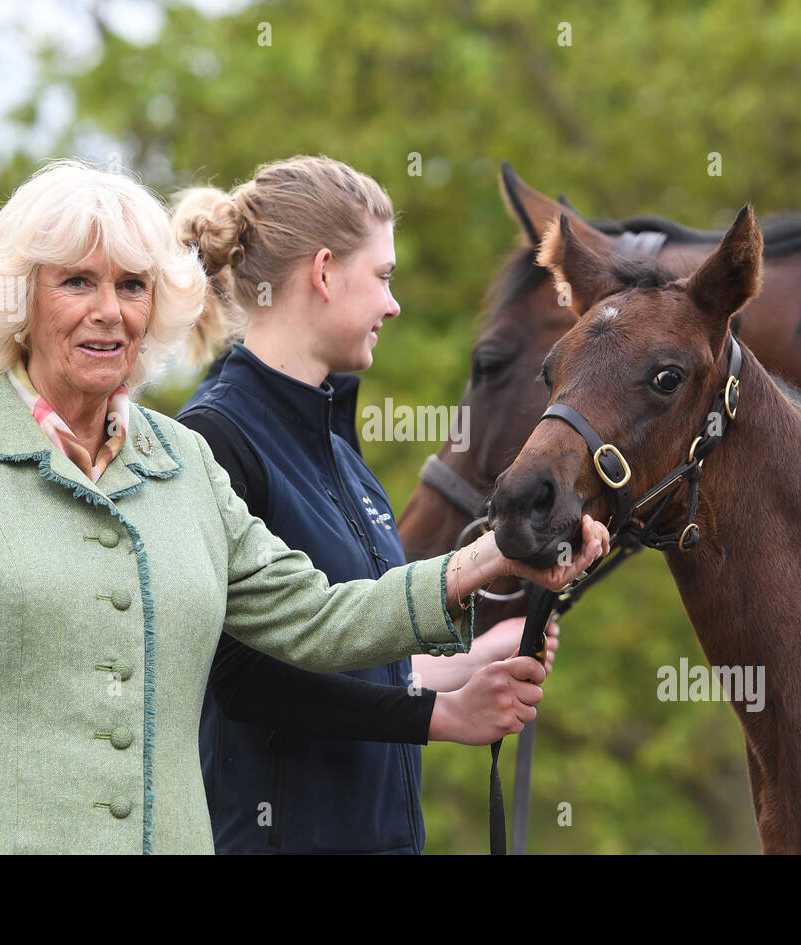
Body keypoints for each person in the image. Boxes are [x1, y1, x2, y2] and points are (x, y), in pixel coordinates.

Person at [0, 160, 608, 855]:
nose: (110, 310)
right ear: (20, 299)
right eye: (76, 282)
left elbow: (318, 617)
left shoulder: (184, 464)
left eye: (132, 285)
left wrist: (494, 553)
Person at [172, 156, 560, 854]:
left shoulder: (339, 450)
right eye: (383, 276)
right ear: (324, 272)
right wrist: (441, 716)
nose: (393, 303)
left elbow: (341, 644)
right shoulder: (214, 438)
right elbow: (242, 678)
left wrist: (469, 659)